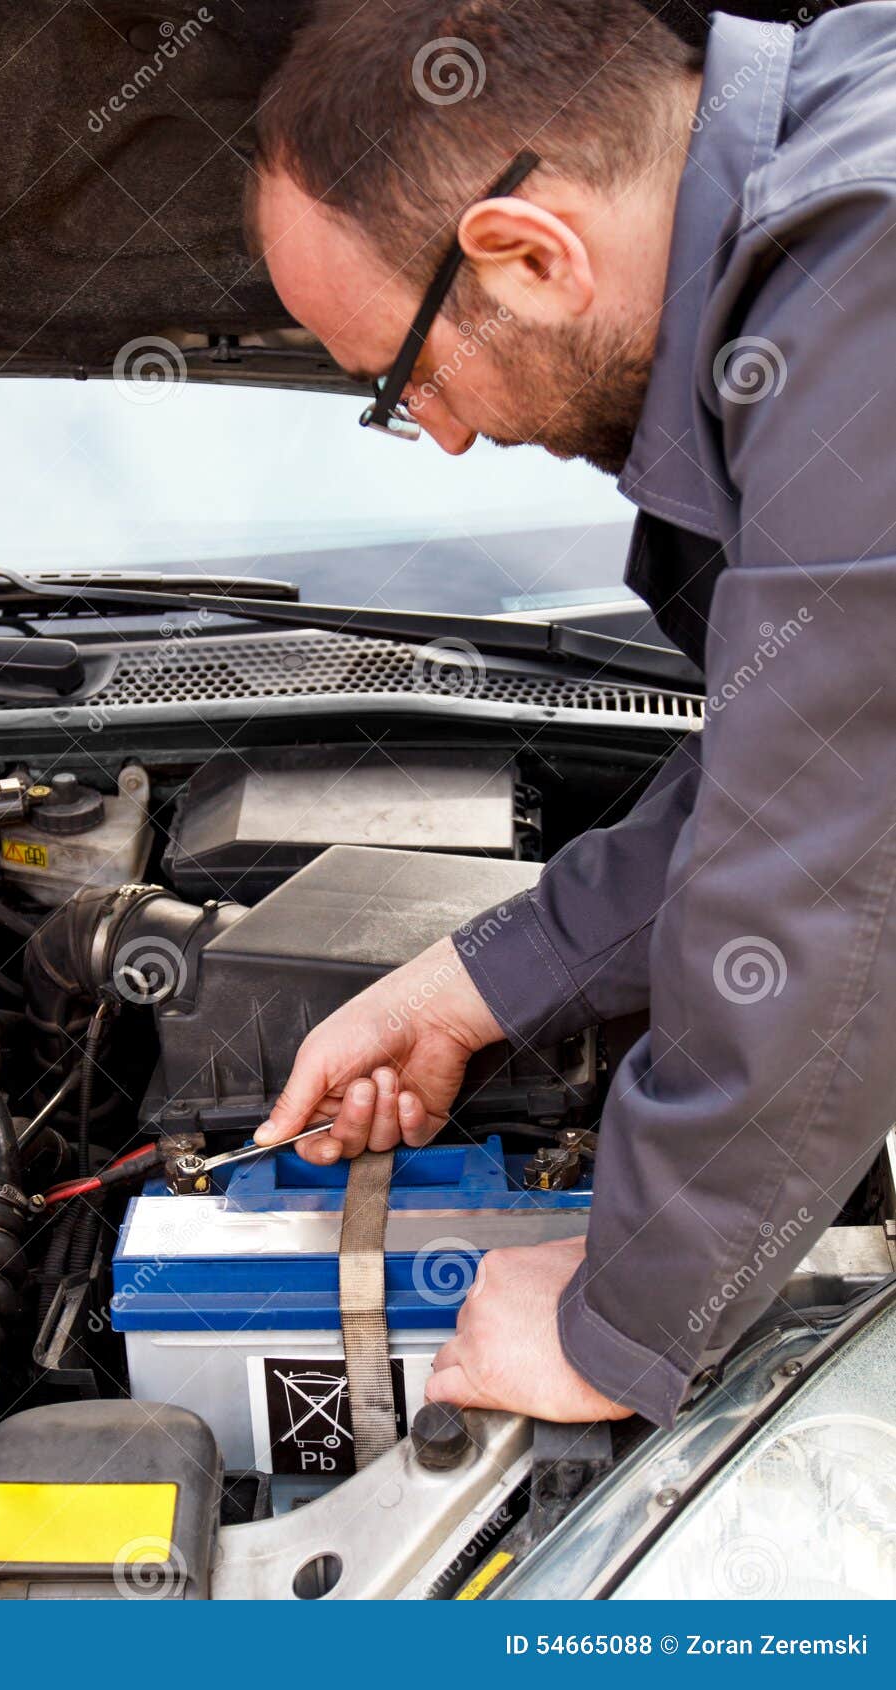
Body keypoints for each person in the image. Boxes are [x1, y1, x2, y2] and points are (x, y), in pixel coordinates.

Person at [245, 0, 896, 1426]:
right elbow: (817, 755)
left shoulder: (866, 270)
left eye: (406, 376)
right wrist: (485, 978)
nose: (451, 430)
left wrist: (617, 1322)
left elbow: (835, 869)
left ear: (530, 254)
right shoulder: (833, 151)